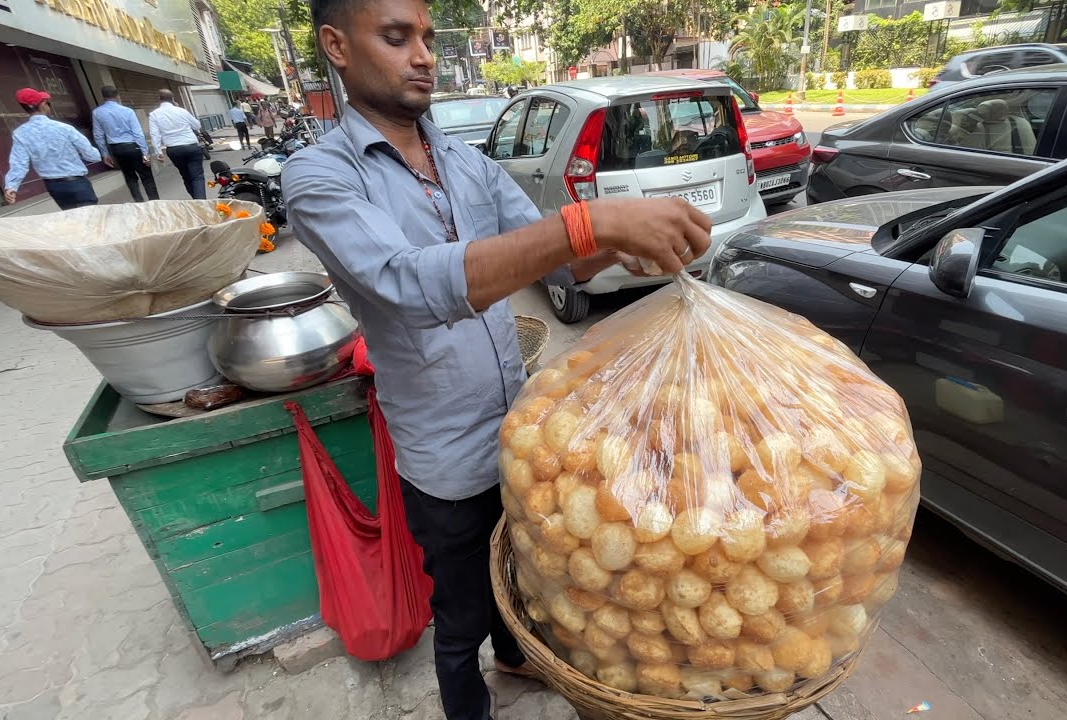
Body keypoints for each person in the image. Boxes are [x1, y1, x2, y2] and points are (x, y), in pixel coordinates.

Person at [282, 1, 711, 718]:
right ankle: (470, 701)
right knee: (461, 614)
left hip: (520, 435)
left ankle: (515, 660)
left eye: (425, 37)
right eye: (396, 38)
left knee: (521, 572)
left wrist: (626, 237)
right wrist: (587, 222)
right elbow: (411, 283)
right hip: (442, 456)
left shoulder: (462, 162)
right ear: (337, 46)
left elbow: (556, 260)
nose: (423, 55)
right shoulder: (320, 178)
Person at [3, 87, 102, 210]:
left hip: (54, 187)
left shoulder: (20, 133)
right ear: (43, 105)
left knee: (71, 220)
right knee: (91, 219)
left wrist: (11, 186)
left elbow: (19, 163)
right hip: (77, 183)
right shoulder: (64, 128)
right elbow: (92, 156)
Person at [91, 85, 159, 203]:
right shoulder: (127, 111)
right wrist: (145, 153)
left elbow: (98, 135)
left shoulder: (97, 113)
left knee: (129, 177)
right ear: (117, 96)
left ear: (103, 97)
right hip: (133, 147)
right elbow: (138, 133)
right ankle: (155, 203)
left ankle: (139, 203)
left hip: (116, 149)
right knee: (147, 177)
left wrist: (105, 154)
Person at [149, 89, 207, 200]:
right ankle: (201, 201)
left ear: (159, 99)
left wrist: (158, 152)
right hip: (191, 146)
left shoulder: (154, 114)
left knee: (186, 176)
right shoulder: (181, 111)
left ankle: (195, 200)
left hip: (174, 150)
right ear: (173, 99)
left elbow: (154, 134)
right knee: (197, 176)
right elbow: (197, 126)